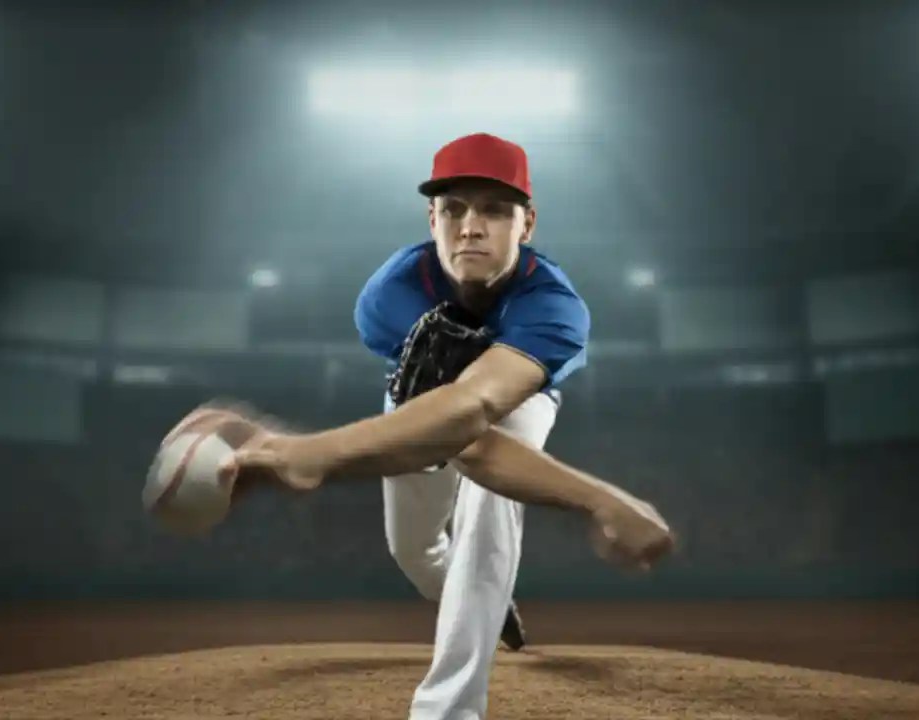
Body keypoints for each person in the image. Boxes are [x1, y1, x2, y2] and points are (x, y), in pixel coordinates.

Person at [173, 132, 672, 720]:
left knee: (489, 507)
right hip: (418, 398)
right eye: (454, 208)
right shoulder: (391, 293)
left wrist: (301, 455)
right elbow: (447, 431)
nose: (471, 225)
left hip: (513, 397)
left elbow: (472, 418)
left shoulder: (554, 307)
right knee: (411, 548)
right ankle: (492, 604)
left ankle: (449, 708)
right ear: (431, 218)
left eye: (493, 209)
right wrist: (598, 500)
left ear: (527, 223)